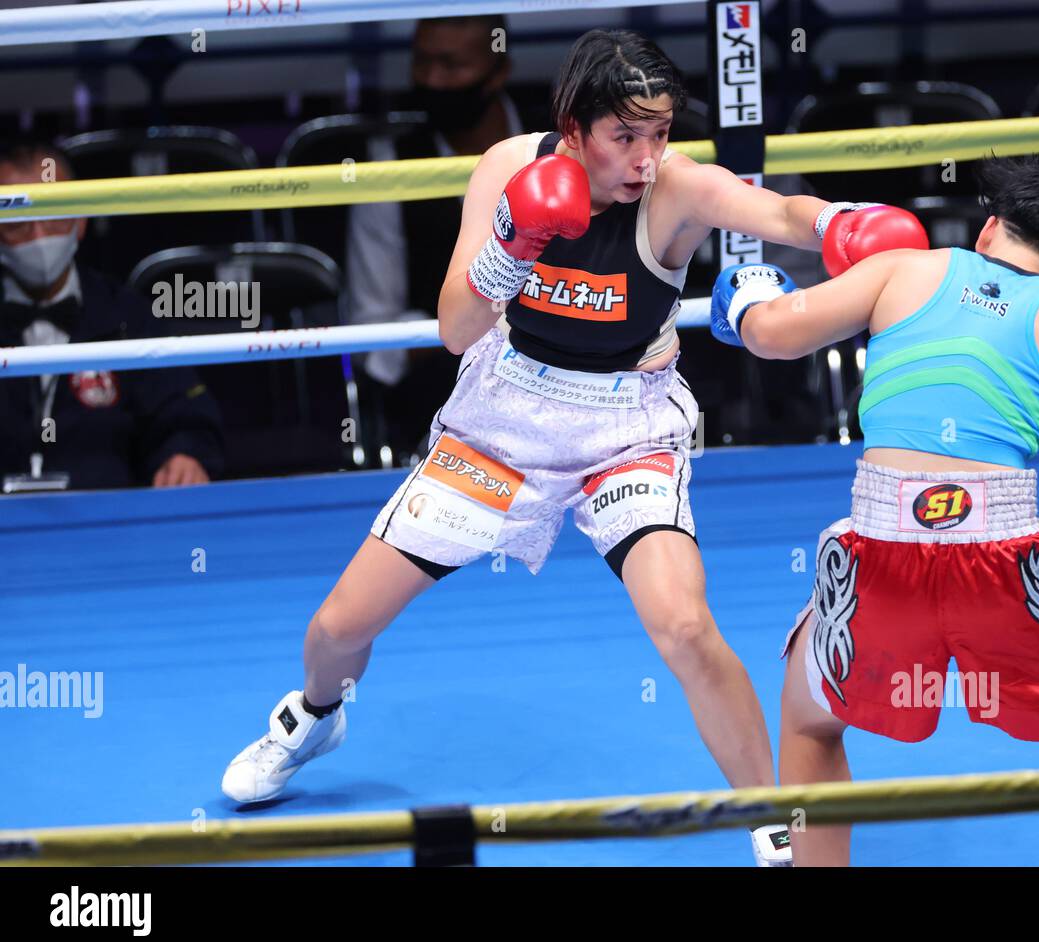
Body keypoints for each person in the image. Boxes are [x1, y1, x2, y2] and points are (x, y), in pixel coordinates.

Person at [220, 28, 895, 865]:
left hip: (626, 429)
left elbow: (776, 210)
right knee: (336, 628)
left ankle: (772, 815)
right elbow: (455, 329)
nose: (647, 158)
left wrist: (840, 221)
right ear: (573, 129)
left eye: (660, 134)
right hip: (504, 419)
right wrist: (513, 243)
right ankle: (316, 717)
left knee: (684, 627)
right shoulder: (507, 169)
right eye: (626, 136)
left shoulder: (675, 190)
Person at [710, 154, 1039, 866]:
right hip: (1007, 559)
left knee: (810, 723)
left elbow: (771, 334)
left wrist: (746, 292)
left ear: (989, 229)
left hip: (879, 551)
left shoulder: (908, 267)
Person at [346, 14, 539, 462]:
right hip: (446, 396)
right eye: (422, 63)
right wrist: (467, 333)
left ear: (498, 71)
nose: (432, 79)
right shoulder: (391, 170)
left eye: (451, 66)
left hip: (570, 364)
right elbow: (376, 328)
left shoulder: (559, 146)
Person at [0, 140, 224, 490]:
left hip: (112, 527)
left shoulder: (128, 315)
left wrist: (184, 455)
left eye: (53, 216)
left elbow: (183, 412)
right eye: (19, 222)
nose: (39, 236)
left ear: (81, 221)